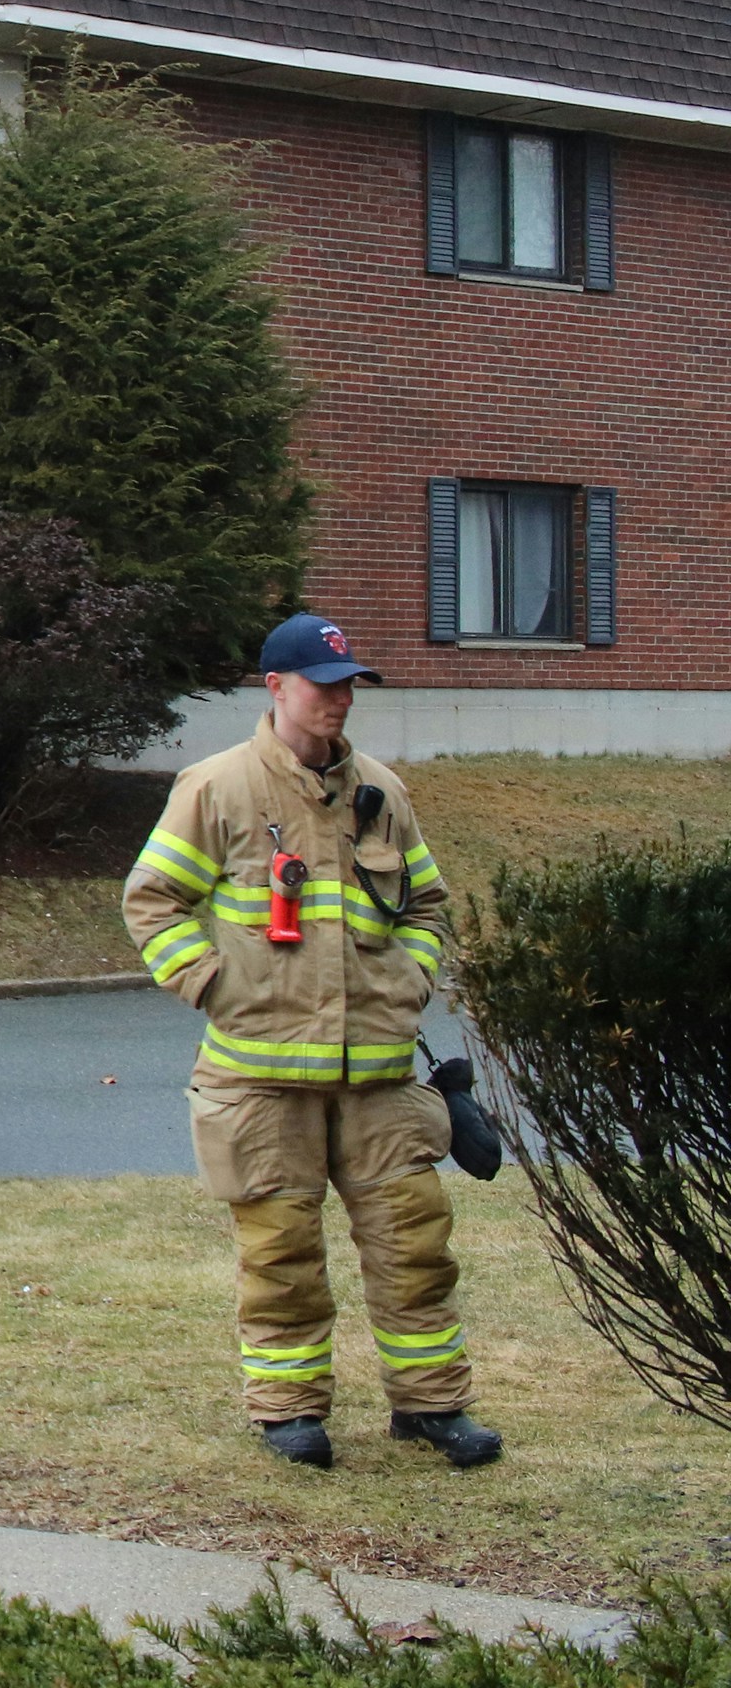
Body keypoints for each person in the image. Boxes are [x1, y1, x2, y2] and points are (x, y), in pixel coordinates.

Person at [122, 614, 501, 1471]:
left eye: (349, 685)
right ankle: (289, 1412)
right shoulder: (217, 788)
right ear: (276, 687)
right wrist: (214, 985)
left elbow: (428, 905)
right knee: (281, 1254)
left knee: (414, 1246)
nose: (340, 700)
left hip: (379, 1074)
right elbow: (152, 902)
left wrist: (410, 978)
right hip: (260, 1079)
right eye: (323, 685)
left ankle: (433, 1406)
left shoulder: (383, 791)